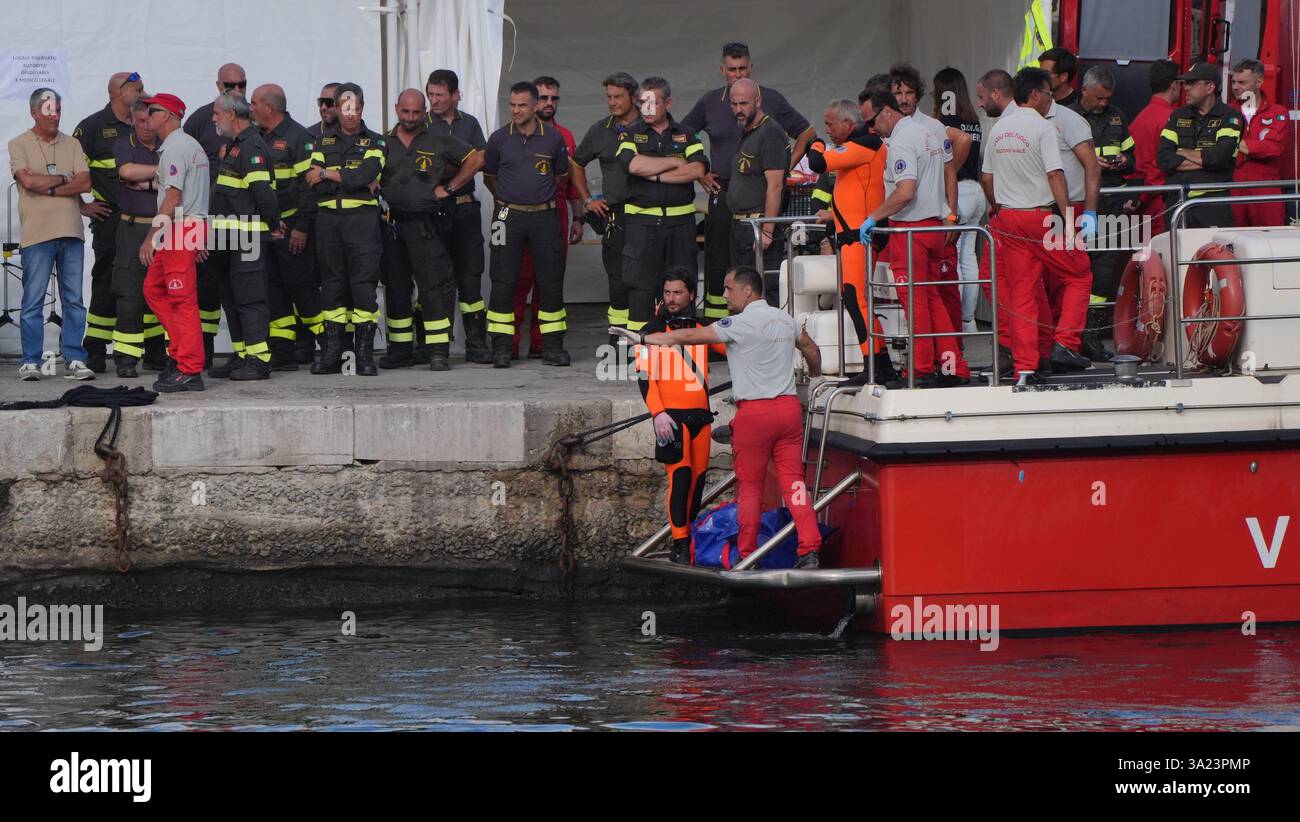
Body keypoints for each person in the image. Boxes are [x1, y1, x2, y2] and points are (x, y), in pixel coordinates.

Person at [612, 265, 825, 568]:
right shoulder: (786, 319)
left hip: (754, 415)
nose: (724, 294)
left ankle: (747, 555)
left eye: (728, 288)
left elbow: (687, 336)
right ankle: (809, 549)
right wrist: (815, 376)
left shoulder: (735, 324)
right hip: (788, 410)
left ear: (747, 291)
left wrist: (644, 340)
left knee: (749, 488)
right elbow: (811, 349)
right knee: (794, 485)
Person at [681, 42, 813, 321]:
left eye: (742, 69)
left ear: (751, 71)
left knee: (758, 266)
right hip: (724, 190)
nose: (737, 74)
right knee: (719, 259)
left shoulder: (771, 102)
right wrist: (700, 169)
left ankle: (761, 323)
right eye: (731, 69)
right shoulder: (710, 102)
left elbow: (807, 132)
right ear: (722, 70)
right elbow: (681, 135)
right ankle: (721, 324)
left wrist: (783, 167)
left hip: (761, 194)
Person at [859, 90, 971, 388]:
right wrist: (950, 214)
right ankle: (952, 365)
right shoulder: (927, 132)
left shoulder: (902, 141)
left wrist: (873, 217)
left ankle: (921, 369)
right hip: (932, 227)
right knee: (933, 299)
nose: (871, 129)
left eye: (871, 121)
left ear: (885, 112)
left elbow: (905, 191)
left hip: (910, 232)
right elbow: (949, 170)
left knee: (916, 303)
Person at [980, 69, 1078, 381]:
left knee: (1021, 295)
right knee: (1080, 274)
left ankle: (1026, 367)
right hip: (1040, 217)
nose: (1051, 98)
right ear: (1035, 95)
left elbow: (986, 177)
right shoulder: (1043, 128)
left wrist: (999, 207)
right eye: (1049, 93)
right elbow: (1055, 175)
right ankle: (1067, 343)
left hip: (1008, 218)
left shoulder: (998, 129)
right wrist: (1070, 220)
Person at [378, 89, 483, 372]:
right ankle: (400, 350)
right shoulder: (382, 141)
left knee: (433, 287)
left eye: (415, 112)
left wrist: (449, 188)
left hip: (425, 224)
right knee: (397, 288)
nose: (410, 118)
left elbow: (476, 159)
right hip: (392, 225)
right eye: (405, 112)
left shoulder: (438, 137)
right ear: (396, 108)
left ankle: (438, 351)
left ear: (422, 110)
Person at [804, 98, 896, 384]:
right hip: (852, 234)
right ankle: (878, 365)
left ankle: (876, 367)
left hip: (860, 237)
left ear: (847, 123)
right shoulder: (859, 148)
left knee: (856, 300)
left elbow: (817, 162)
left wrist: (814, 141)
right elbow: (859, 191)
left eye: (830, 125)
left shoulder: (864, 144)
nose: (827, 130)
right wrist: (833, 215)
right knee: (855, 300)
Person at [482, 81, 572, 367]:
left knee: (550, 281)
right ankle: (502, 348)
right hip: (508, 217)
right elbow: (489, 177)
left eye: (522, 105)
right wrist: (510, 201)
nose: (516, 110)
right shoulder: (497, 139)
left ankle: (552, 347)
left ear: (534, 107)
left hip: (545, 216)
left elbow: (560, 177)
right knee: (503, 280)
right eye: (512, 105)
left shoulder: (554, 139)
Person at [634, 267, 721, 564]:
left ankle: (690, 535)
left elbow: (733, 344)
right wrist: (658, 414)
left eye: (678, 292)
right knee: (680, 479)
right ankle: (680, 544)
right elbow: (645, 379)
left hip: (702, 419)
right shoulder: (650, 332)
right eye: (667, 292)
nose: (671, 298)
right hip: (672, 419)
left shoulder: (703, 329)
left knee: (697, 484)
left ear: (691, 294)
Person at [9, 88, 94, 381]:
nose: (54, 115)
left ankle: (74, 358)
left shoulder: (72, 144)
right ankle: (30, 361)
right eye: (48, 110)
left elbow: (85, 182)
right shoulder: (18, 143)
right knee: (33, 300)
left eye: (57, 109)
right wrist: (62, 178)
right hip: (36, 234)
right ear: (34, 112)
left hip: (71, 232)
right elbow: (29, 181)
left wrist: (51, 187)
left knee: (74, 300)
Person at [306, 82, 387, 375]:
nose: (351, 114)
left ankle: (364, 355)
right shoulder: (320, 141)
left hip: (362, 224)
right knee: (332, 288)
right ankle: (333, 353)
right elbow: (311, 180)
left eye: (355, 108)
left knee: (363, 288)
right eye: (345, 108)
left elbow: (363, 174)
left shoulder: (376, 142)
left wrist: (327, 173)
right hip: (328, 223)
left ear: (362, 108)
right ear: (338, 109)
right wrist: (348, 177)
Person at [617, 76, 708, 335]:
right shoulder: (630, 133)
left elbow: (697, 169)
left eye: (652, 103)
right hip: (642, 227)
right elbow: (633, 165)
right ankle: (640, 350)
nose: (646, 108)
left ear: (668, 102)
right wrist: (675, 162)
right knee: (641, 289)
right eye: (642, 102)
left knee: (682, 288)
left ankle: (684, 348)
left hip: (680, 227)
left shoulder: (687, 134)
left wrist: (655, 172)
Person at [137, 92, 209, 392]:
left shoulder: (177, 147)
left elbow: (174, 197)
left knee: (182, 301)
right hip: (182, 230)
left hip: (179, 230)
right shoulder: (183, 146)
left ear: (166, 115)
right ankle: (181, 355)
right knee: (153, 289)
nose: (147, 117)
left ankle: (190, 369)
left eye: (152, 111)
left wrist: (151, 237)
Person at [73, 71, 144, 372]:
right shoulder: (91, 127)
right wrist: (83, 206)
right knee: (105, 281)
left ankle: (151, 351)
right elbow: (72, 172)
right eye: (137, 89)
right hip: (111, 218)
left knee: (146, 282)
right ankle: (96, 350)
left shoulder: (145, 123)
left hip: (144, 218)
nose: (143, 92)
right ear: (118, 92)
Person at [511, 76, 585, 359]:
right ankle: (512, 343)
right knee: (518, 280)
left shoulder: (565, 136)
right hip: (522, 213)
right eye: (543, 98)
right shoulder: (514, 134)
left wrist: (578, 218)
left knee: (550, 281)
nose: (549, 104)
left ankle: (542, 343)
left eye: (554, 98)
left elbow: (574, 182)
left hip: (556, 213)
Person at [250, 84, 322, 371]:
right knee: (273, 290)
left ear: (269, 107)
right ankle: (283, 351)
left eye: (254, 103)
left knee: (302, 289)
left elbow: (310, 186)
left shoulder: (299, 137)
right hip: (267, 230)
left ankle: (330, 345)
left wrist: (301, 227)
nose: (251, 107)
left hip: (292, 228)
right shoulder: (256, 138)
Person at [889, 64, 965, 329]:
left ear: (917, 95)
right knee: (907, 291)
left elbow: (950, 172)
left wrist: (952, 215)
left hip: (933, 222)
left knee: (944, 286)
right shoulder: (887, 128)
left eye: (909, 92)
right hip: (898, 223)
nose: (903, 99)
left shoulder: (933, 127)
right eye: (898, 93)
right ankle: (919, 350)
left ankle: (953, 347)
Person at [426, 69, 493, 365]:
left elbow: (480, 160)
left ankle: (476, 343)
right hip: (432, 212)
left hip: (464, 207)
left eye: (440, 95)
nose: (434, 100)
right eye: (431, 94)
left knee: (470, 278)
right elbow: (426, 170)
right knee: (435, 280)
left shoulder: (471, 124)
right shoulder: (421, 124)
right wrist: (457, 166)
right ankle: (435, 347)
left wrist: (451, 177)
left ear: (456, 95)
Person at [1071, 65, 1136, 362]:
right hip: (1077, 203)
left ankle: (1093, 337)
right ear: (1084, 90)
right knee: (1072, 270)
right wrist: (1091, 161)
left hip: (1110, 202)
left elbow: (1133, 157)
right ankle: (1067, 336)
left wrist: (1123, 160)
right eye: (1098, 98)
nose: (1102, 104)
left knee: (1105, 274)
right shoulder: (1066, 116)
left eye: (1106, 99)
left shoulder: (1117, 116)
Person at [572, 71, 640, 351]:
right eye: (609, 97)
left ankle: (650, 336)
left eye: (618, 97)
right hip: (617, 216)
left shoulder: (649, 126)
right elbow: (575, 163)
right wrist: (588, 200)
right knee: (618, 278)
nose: (612, 102)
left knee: (648, 277)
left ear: (633, 97)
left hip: (648, 214)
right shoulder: (600, 130)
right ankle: (620, 339)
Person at [184, 63, 246, 367]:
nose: (235, 90)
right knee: (207, 288)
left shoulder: (252, 118)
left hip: (242, 221)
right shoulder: (200, 120)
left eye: (240, 84)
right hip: (206, 216)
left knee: (242, 289)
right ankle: (204, 352)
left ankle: (245, 354)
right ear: (217, 85)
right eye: (228, 85)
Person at [110, 99, 166, 377]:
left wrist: (145, 183)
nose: (146, 126)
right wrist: (163, 174)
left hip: (166, 229)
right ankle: (126, 358)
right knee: (130, 294)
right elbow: (127, 172)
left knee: (164, 292)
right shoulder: (124, 145)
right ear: (132, 120)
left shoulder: (169, 144)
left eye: (150, 120)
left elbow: (182, 185)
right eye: (140, 121)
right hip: (133, 229)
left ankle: (157, 354)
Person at [726, 78, 790, 306]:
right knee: (742, 293)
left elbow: (775, 185)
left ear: (758, 100)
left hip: (758, 227)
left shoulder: (769, 132)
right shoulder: (748, 132)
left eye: (743, 103)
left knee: (761, 292)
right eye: (733, 104)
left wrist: (768, 232)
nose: (738, 110)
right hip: (741, 226)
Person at [932, 66, 986, 335]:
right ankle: (969, 321)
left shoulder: (946, 120)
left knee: (955, 257)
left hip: (959, 193)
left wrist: (949, 176)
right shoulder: (973, 118)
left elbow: (946, 162)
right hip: (976, 191)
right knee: (968, 256)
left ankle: (959, 321)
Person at [1157, 62, 1243, 229]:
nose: (1186, 88)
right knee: (1174, 254)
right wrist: (1204, 160)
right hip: (1177, 202)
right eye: (1185, 83)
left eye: (1192, 83)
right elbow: (1164, 159)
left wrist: (1182, 151)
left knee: (1212, 254)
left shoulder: (1230, 117)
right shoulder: (1177, 116)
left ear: (1210, 87)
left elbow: (1219, 158)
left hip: (1212, 205)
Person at [1230, 59, 1290, 227]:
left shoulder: (1278, 112)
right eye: (1233, 82)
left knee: (1271, 240)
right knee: (1232, 240)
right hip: (1234, 185)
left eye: (1242, 82)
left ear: (1259, 82)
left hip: (1266, 187)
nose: (1235, 87)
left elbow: (1273, 148)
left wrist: (1237, 144)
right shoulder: (1225, 112)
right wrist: (1254, 146)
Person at [1130, 60, 1182, 236]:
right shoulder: (1172, 118)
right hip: (1157, 198)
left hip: (1140, 194)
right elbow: (1160, 163)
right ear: (1174, 85)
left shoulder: (1141, 116)